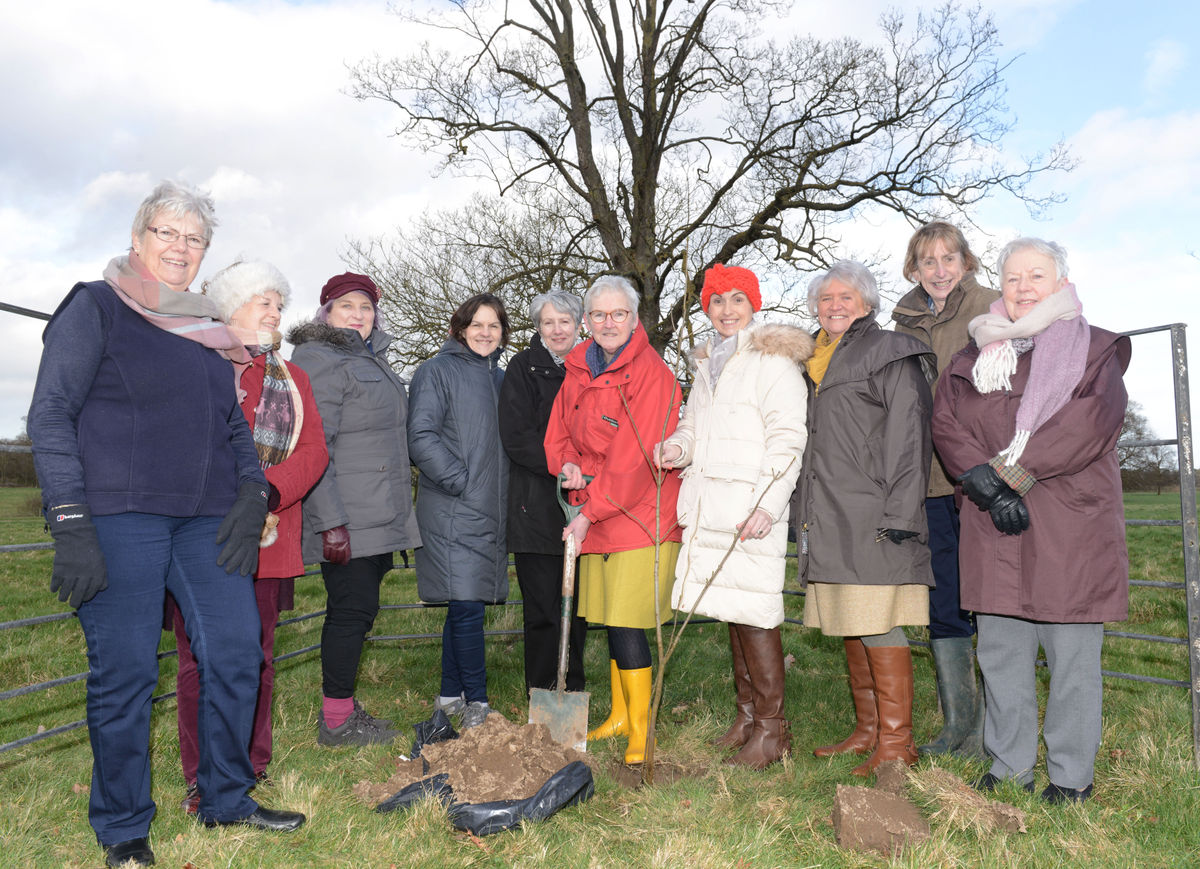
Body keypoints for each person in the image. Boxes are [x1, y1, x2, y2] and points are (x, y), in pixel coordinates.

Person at [27, 180, 305, 868]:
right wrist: (69, 518)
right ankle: (122, 823)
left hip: (206, 518)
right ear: (137, 238)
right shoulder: (93, 307)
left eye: (194, 238)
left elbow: (234, 426)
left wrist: (253, 493)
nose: (180, 247)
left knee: (239, 652)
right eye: (167, 233)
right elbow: (50, 413)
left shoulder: (208, 331)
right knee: (124, 672)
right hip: (120, 516)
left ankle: (226, 797)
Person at [931, 238, 1130, 804]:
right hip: (992, 524)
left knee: (1070, 657)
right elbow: (946, 422)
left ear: (1060, 282)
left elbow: (1090, 423)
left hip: (1067, 523)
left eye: (1035, 275)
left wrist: (1008, 478)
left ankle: (1069, 777)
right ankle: (1008, 764)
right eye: (1012, 277)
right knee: (1001, 652)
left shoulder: (1093, 349)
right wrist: (980, 480)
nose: (1022, 287)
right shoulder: (972, 356)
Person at [171, 259, 329, 813]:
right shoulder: (194, 363)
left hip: (269, 535)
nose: (275, 312)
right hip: (202, 537)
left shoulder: (294, 379)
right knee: (200, 658)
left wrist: (262, 492)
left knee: (258, 655)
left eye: (279, 304)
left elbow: (314, 453)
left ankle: (249, 765)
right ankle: (203, 775)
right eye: (263, 301)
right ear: (228, 305)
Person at [655, 263, 811, 769]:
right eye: (717, 301)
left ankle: (772, 729)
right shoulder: (708, 367)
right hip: (712, 507)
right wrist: (677, 448)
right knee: (734, 610)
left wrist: (768, 504)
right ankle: (746, 716)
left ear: (754, 305)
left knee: (758, 612)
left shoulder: (774, 364)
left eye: (737, 300)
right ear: (707, 309)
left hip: (750, 509)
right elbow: (693, 426)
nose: (726, 310)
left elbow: (789, 439)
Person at [793, 260, 935, 776]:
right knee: (853, 621)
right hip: (828, 509)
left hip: (873, 511)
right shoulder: (810, 359)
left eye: (846, 297)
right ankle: (868, 731)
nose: (834, 305)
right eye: (826, 298)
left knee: (877, 622)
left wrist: (901, 511)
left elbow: (910, 435)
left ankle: (898, 745)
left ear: (868, 304)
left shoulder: (890, 351)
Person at [544, 275, 684, 765]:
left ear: (635, 318)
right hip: (595, 507)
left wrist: (587, 513)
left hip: (640, 513)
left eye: (618, 313)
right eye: (599, 314)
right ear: (586, 320)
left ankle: (642, 731)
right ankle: (620, 715)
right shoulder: (579, 367)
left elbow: (635, 460)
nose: (608, 322)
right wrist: (565, 467)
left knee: (627, 622)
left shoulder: (652, 374)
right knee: (606, 615)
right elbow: (559, 429)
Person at [289, 272, 422, 746]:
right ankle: (337, 721)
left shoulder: (370, 358)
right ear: (326, 312)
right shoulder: (320, 359)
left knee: (361, 609)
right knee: (351, 610)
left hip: (378, 509)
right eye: (346, 306)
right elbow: (312, 444)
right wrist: (330, 522)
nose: (358, 315)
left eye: (366, 307)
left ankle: (341, 709)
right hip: (348, 514)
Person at [890, 222, 999, 758]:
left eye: (948, 259)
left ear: (966, 262)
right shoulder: (901, 321)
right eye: (928, 261)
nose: (939, 270)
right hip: (927, 478)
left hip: (977, 474)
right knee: (945, 596)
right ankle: (959, 723)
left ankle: (989, 730)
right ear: (913, 269)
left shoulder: (989, 307)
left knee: (988, 590)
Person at [408, 294, 511, 730]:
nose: (486, 333)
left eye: (494, 325)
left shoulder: (503, 379)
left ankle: (450, 693)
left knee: (463, 603)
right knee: (468, 605)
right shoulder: (436, 371)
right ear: (460, 328)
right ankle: (478, 701)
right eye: (477, 325)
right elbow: (420, 436)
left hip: (491, 509)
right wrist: (460, 481)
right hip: (454, 507)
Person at [498, 291, 589, 696]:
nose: (558, 330)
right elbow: (517, 438)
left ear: (579, 324)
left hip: (585, 505)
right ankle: (542, 688)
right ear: (538, 327)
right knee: (542, 610)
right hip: (534, 505)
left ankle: (572, 686)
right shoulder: (522, 368)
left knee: (579, 608)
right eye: (549, 322)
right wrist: (563, 466)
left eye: (565, 321)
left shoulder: (591, 368)